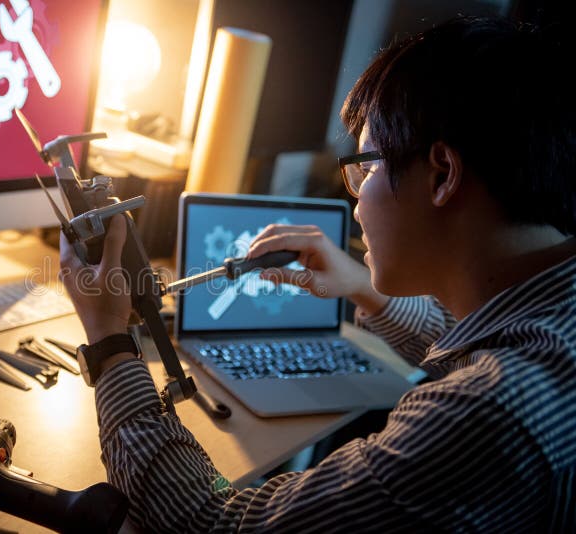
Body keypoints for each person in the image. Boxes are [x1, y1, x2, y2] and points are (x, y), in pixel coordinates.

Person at [59, 16, 576, 532]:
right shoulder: (550, 320)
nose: (355, 199)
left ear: (442, 174)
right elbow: (473, 340)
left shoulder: (486, 415)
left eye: (366, 168)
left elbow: (208, 523)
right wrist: (360, 288)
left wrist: (108, 341)